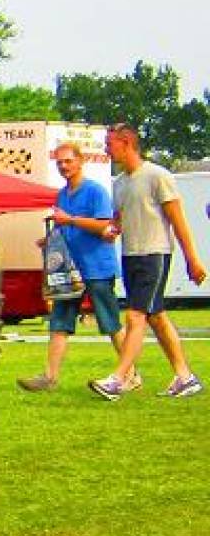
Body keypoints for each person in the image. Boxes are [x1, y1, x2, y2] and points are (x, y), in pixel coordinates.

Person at [89, 122, 207, 401]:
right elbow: (118, 222)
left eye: (110, 144)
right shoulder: (119, 184)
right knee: (156, 317)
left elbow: (178, 222)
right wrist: (111, 231)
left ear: (127, 143)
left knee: (135, 316)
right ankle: (185, 377)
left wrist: (193, 260)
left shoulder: (158, 176)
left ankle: (119, 379)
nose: (107, 150)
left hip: (155, 255)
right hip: (131, 255)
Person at [17, 141, 126, 392]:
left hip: (97, 267)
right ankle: (49, 377)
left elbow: (104, 226)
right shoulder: (63, 195)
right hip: (70, 270)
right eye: (59, 162)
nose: (63, 166)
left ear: (80, 161)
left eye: (68, 161)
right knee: (60, 321)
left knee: (109, 321)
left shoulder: (96, 191)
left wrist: (70, 220)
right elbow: (64, 224)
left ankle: (129, 373)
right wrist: (51, 238)